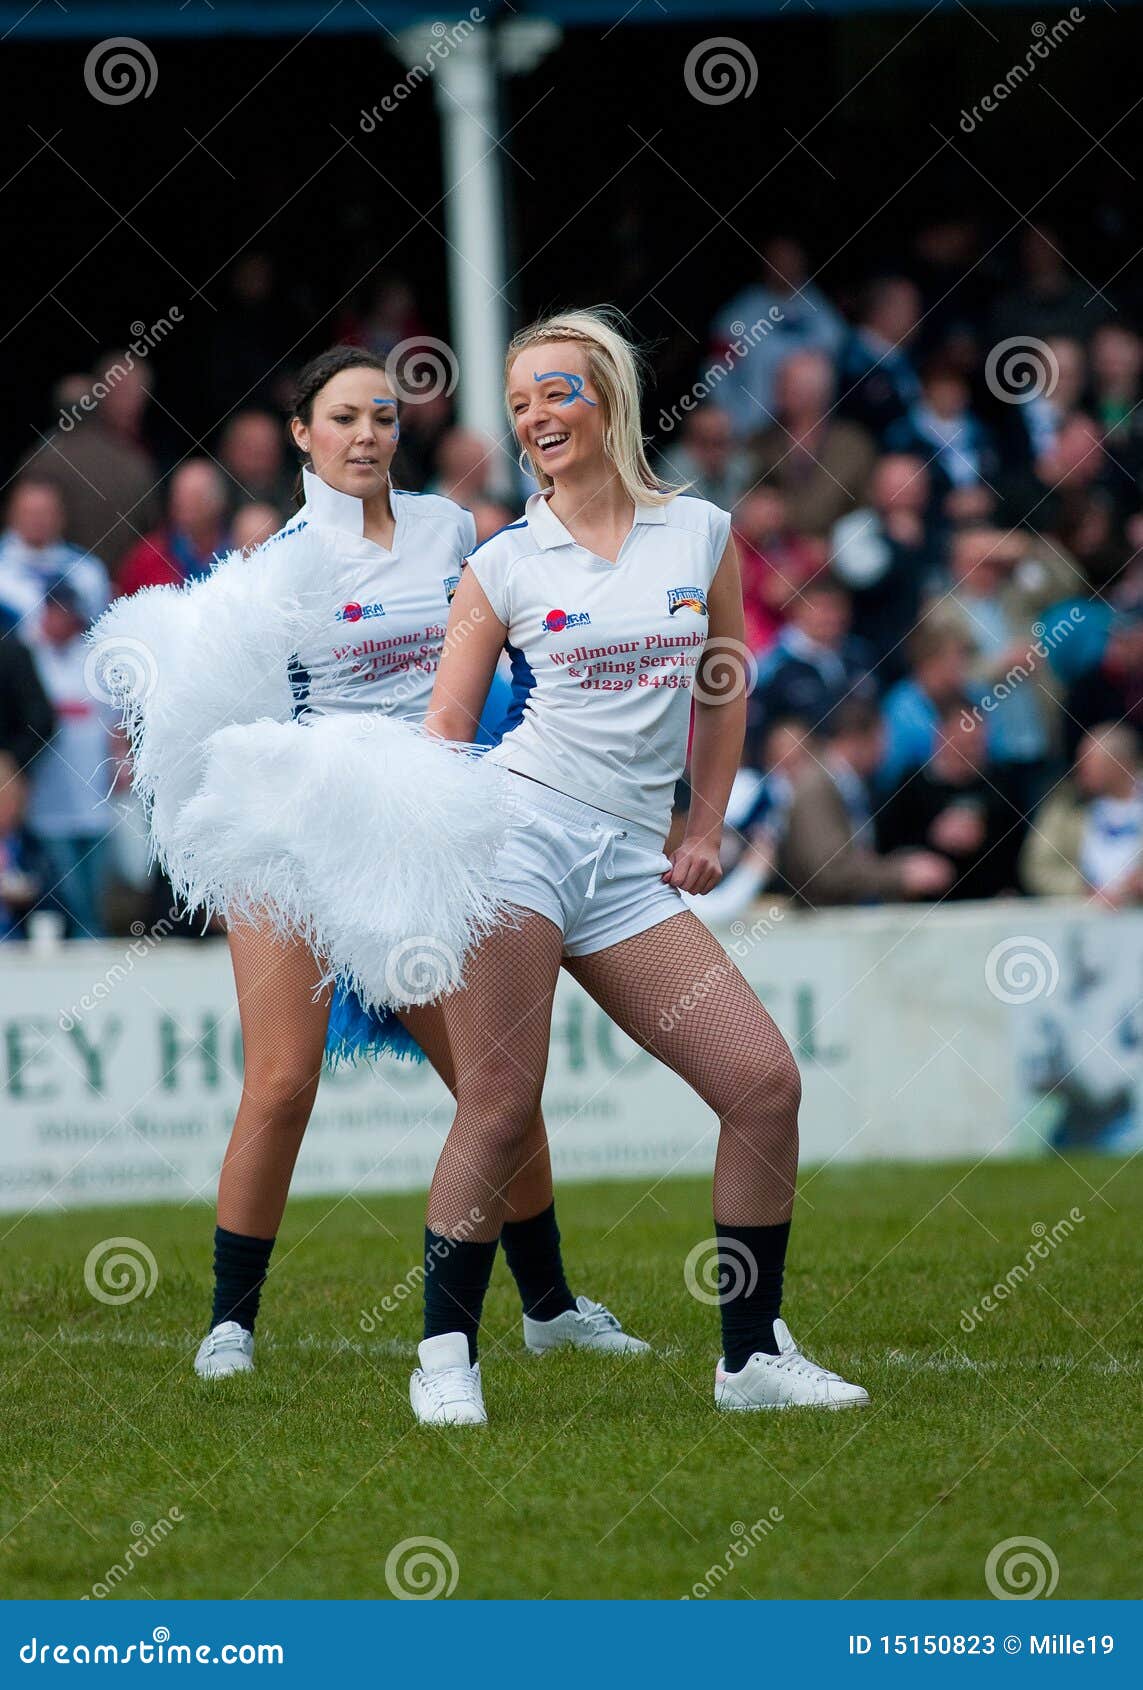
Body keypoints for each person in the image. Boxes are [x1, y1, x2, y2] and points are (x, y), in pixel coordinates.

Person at [92, 345, 642, 1381]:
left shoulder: (447, 528)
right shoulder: (275, 559)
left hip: (421, 834)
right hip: (297, 839)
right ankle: (231, 1323)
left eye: (383, 418)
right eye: (342, 418)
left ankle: (549, 1305)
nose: (366, 437)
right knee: (283, 1079)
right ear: (302, 435)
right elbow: (221, 713)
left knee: (495, 1085)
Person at [416, 308, 867, 1426]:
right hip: (515, 837)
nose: (534, 418)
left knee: (763, 1085)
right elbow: (444, 733)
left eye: (554, 393)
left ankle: (750, 1357)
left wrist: (703, 823)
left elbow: (726, 678)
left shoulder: (700, 530)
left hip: (625, 861)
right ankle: (443, 1357)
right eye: (520, 403)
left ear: (607, 398)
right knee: (504, 1096)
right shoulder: (502, 560)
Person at [779, 699, 953, 907]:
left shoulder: (850, 785)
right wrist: (900, 874)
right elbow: (829, 872)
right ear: (856, 740)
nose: (885, 751)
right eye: (881, 740)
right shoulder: (817, 788)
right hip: (821, 926)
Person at [23, 582, 115, 938]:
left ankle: (94, 946)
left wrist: (120, 766)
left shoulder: (93, 657)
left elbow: (114, 722)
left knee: (94, 892)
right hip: (48, 799)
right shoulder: (28, 653)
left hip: (94, 796)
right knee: (66, 892)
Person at [19, 358, 160, 571]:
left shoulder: (39, 462)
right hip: (122, 587)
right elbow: (152, 530)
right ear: (100, 406)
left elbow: (19, 532)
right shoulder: (134, 462)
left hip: (57, 588)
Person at [878, 703, 1021, 900]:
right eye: (961, 744)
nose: (969, 753)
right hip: (924, 903)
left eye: (975, 744)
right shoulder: (911, 784)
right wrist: (932, 836)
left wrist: (983, 836)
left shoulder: (1002, 785)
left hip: (990, 901)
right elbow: (886, 846)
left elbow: (1020, 849)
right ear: (941, 739)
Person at [708, 235, 846, 435]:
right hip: (749, 429)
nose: (784, 266)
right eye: (777, 259)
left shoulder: (823, 314)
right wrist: (730, 422)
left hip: (807, 435)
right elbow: (715, 374)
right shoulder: (738, 314)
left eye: (791, 258)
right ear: (765, 263)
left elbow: (837, 370)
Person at [830, 453, 939, 685]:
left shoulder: (936, 531)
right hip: (868, 650)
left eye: (913, 487)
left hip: (924, 648)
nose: (905, 496)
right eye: (897, 487)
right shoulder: (854, 528)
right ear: (874, 490)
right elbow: (861, 577)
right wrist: (897, 546)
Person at [748, 350, 876, 536]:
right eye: (779, 384)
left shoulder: (854, 446)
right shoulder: (759, 441)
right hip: (771, 550)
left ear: (817, 394)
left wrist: (832, 547)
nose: (777, 394)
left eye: (787, 386)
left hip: (835, 553)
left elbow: (865, 512)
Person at [1021, 724, 1143, 904]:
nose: (1079, 768)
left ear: (1120, 763)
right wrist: (1083, 889)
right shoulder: (1064, 806)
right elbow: (1037, 866)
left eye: (1089, 761)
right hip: (1081, 919)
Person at [0, 480, 110, 631]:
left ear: (61, 517)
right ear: (11, 515)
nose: (37, 520)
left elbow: (101, 625)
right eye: (29, 513)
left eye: (45, 512)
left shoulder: (87, 569)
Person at [116, 460, 232, 595]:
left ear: (218, 503)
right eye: (179, 497)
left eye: (195, 498)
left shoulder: (239, 548)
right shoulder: (146, 557)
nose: (184, 505)